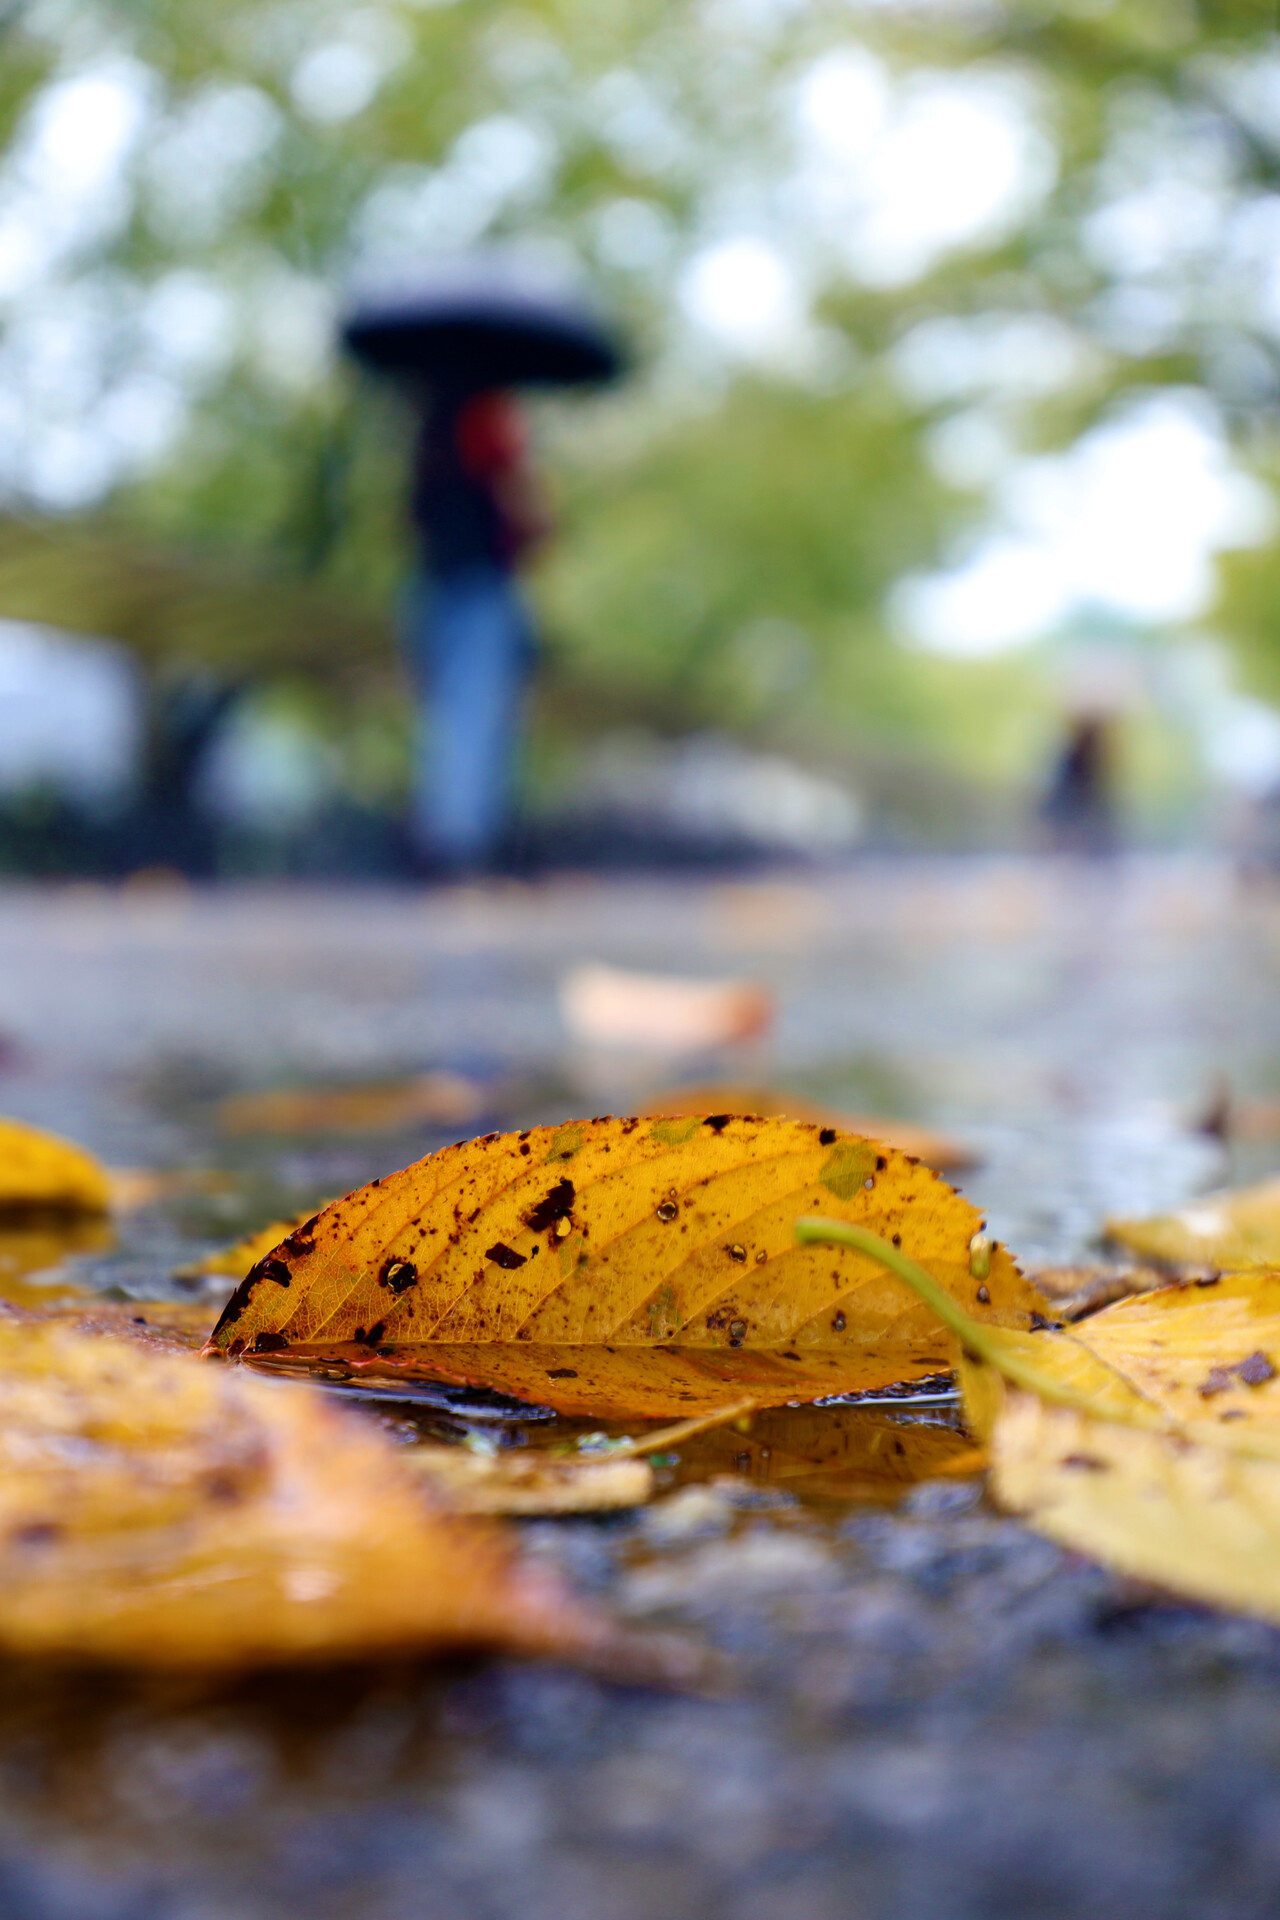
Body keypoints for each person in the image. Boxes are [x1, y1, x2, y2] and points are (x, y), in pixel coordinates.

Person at [403, 387, 549, 872]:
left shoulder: (427, 429)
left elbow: (410, 519)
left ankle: (444, 834)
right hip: (481, 585)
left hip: (430, 585)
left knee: (447, 714)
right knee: (478, 711)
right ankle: (461, 845)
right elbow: (528, 514)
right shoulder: (487, 417)